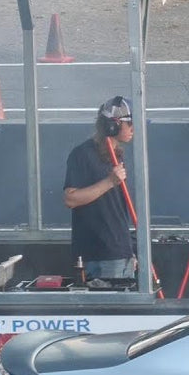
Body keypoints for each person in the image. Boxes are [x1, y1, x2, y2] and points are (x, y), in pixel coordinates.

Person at [63, 96, 136, 280]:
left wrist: (130, 251)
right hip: (98, 254)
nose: (134, 129)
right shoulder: (83, 154)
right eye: (130, 123)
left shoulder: (117, 155)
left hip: (120, 252)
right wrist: (109, 181)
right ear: (114, 125)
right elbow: (71, 199)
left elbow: (117, 209)